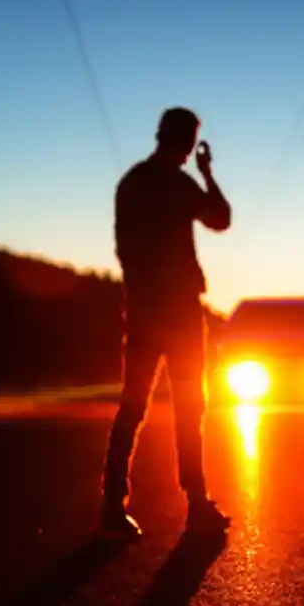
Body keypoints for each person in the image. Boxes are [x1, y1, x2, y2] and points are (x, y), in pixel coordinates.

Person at [102, 107, 234, 538]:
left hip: (151, 310)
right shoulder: (174, 184)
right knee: (184, 406)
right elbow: (220, 219)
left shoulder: (138, 182)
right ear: (185, 140)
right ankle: (193, 503)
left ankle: (116, 506)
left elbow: (218, 220)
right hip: (172, 311)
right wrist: (207, 175)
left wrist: (205, 174)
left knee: (140, 406)